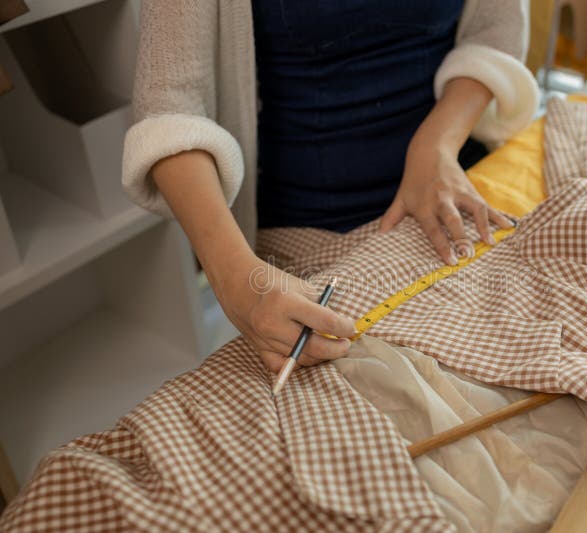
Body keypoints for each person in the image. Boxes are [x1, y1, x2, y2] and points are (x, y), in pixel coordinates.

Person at [122, 0, 539, 374]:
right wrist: (235, 279)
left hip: (455, 189)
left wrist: (436, 145)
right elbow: (169, 110)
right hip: (307, 225)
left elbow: (495, 32)